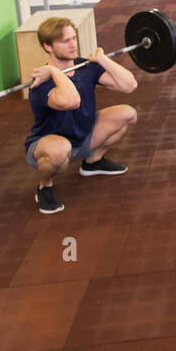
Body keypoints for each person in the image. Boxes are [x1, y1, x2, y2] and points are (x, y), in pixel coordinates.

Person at [24, 17, 138, 214]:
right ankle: (45, 186)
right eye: (65, 41)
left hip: (84, 134)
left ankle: (93, 162)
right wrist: (52, 71)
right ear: (47, 46)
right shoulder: (40, 84)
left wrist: (103, 60)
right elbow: (71, 101)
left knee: (128, 114)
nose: (73, 44)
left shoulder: (83, 66)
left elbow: (129, 85)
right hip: (51, 143)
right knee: (60, 150)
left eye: (73, 38)